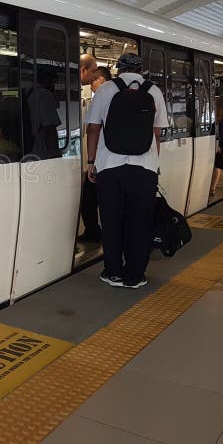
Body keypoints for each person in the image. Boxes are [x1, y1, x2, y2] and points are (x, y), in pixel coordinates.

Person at [86, 53, 168, 288]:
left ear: (118, 69)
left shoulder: (105, 89)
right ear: (141, 70)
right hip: (145, 168)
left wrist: (91, 162)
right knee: (140, 222)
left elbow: (93, 128)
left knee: (111, 220)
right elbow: (157, 133)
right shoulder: (154, 91)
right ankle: (134, 275)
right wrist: (153, 165)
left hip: (110, 167)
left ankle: (113, 272)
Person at [79, 66, 112, 241]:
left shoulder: (101, 98)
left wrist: (91, 162)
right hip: (110, 159)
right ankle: (95, 231)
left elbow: (93, 130)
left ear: (102, 80)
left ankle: (96, 232)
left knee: (90, 201)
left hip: (102, 160)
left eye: (93, 80)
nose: (90, 84)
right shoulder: (115, 97)